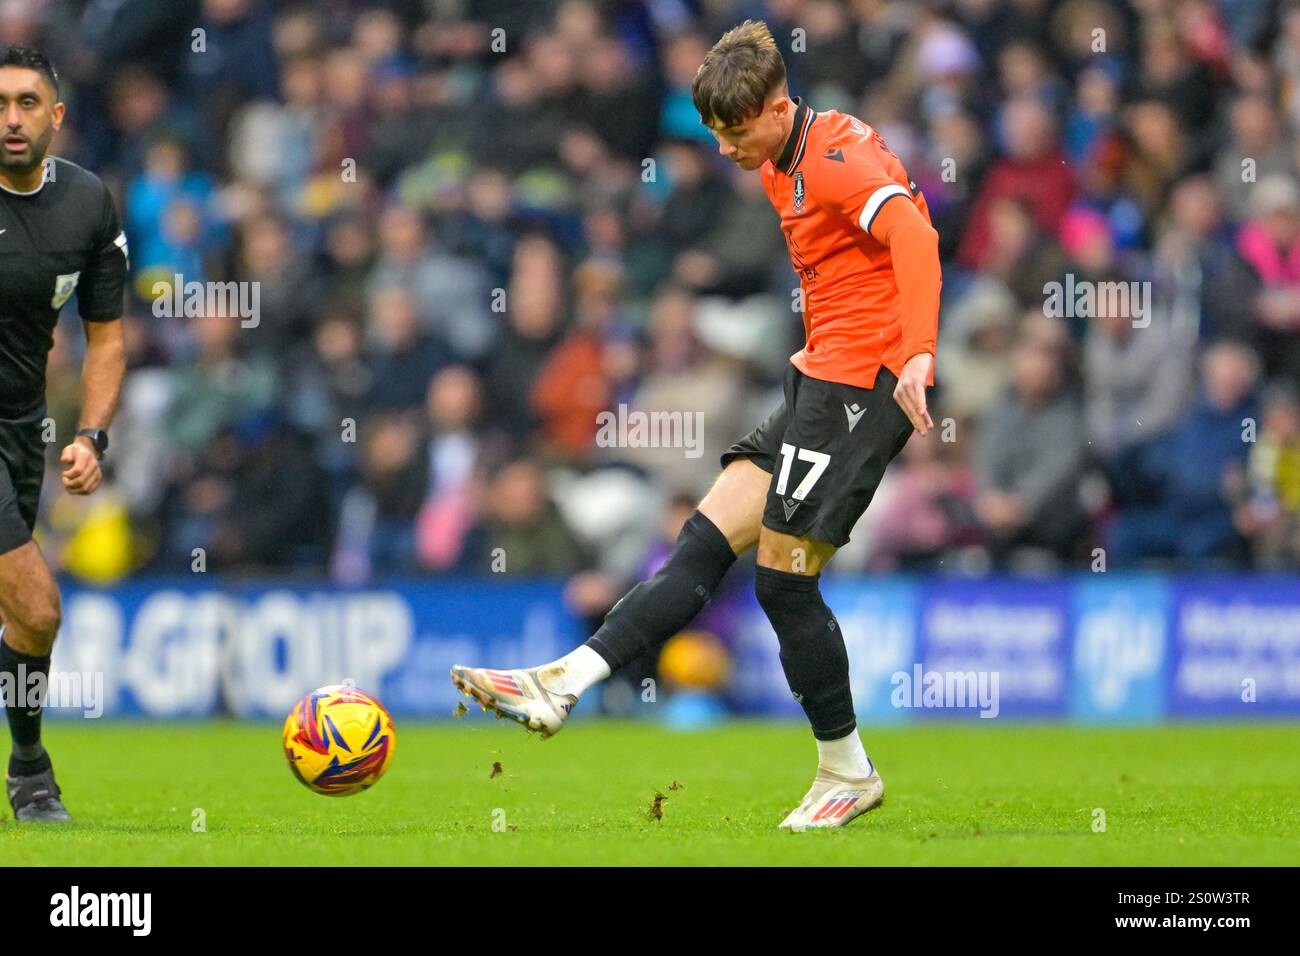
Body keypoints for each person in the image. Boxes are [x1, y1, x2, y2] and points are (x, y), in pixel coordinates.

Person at [451, 19, 940, 831]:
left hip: (865, 382)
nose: (726, 150)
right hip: (820, 375)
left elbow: (915, 235)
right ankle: (564, 682)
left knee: (784, 578)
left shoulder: (832, 160)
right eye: (716, 136)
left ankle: (846, 771)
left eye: (737, 133)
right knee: (703, 542)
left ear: (778, 108)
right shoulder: (786, 151)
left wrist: (920, 355)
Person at [0, 46, 128, 822]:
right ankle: (31, 774)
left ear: (56, 115)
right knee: (41, 608)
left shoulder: (87, 203)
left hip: (22, 428)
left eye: (25, 102)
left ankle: (23, 774)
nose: (9, 119)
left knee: (22, 620)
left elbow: (106, 337)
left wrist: (92, 436)